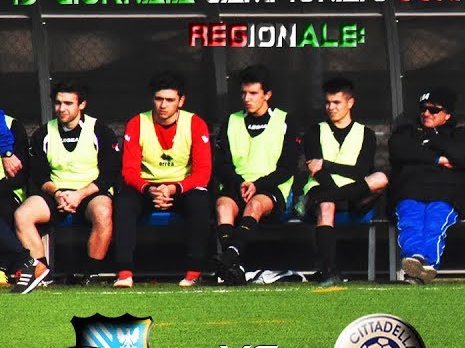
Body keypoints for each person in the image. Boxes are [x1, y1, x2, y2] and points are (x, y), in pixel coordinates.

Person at [10, 82, 119, 294]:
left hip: (89, 192)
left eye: (68, 103)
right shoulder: (43, 133)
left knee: (103, 211)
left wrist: (79, 194)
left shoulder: (100, 130)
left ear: (82, 104)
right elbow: (39, 174)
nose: (62, 108)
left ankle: (91, 274)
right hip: (56, 192)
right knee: (22, 214)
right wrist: (58, 193)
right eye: (58, 103)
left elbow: (109, 174)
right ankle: (41, 272)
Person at [114, 70, 213, 288]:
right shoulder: (137, 123)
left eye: (170, 100)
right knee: (124, 202)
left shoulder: (195, 123)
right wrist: (149, 189)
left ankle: (194, 271)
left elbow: (203, 172)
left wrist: (175, 188)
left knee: (200, 202)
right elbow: (128, 171)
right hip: (147, 187)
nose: (163, 105)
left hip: (182, 187)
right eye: (159, 99)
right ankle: (124, 272)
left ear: (181, 100)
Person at [211, 65, 300, 286]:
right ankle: (234, 266)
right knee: (223, 206)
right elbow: (220, 164)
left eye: (253, 93)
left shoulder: (285, 121)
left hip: (271, 189)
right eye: (243, 93)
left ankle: (229, 257)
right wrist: (240, 182)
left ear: (267, 95)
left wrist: (257, 185)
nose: (247, 99)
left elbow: (287, 167)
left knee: (255, 206)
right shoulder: (231, 121)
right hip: (237, 184)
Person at [299, 77, 389, 287]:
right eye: (328, 102)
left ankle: (316, 200)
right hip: (323, 190)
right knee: (327, 205)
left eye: (337, 102)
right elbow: (315, 170)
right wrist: (332, 188)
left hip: (354, 196)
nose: (331, 107)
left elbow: (360, 171)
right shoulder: (314, 132)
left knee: (381, 178)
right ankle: (329, 271)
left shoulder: (366, 134)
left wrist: (327, 164)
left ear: (350, 103)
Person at [388, 86, 465, 284]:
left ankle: (424, 264)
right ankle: (417, 260)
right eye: (423, 108)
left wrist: (430, 142)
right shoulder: (407, 131)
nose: (426, 113)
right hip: (409, 190)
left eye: (434, 110)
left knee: (434, 224)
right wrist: (439, 159)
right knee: (410, 223)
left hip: (445, 194)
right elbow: (399, 152)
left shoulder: (460, 134)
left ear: (447, 115)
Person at [0, 108, 32, 288]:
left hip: (7, 189)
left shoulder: (11, 125)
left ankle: (23, 262)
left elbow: (20, 174)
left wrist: (6, 153)